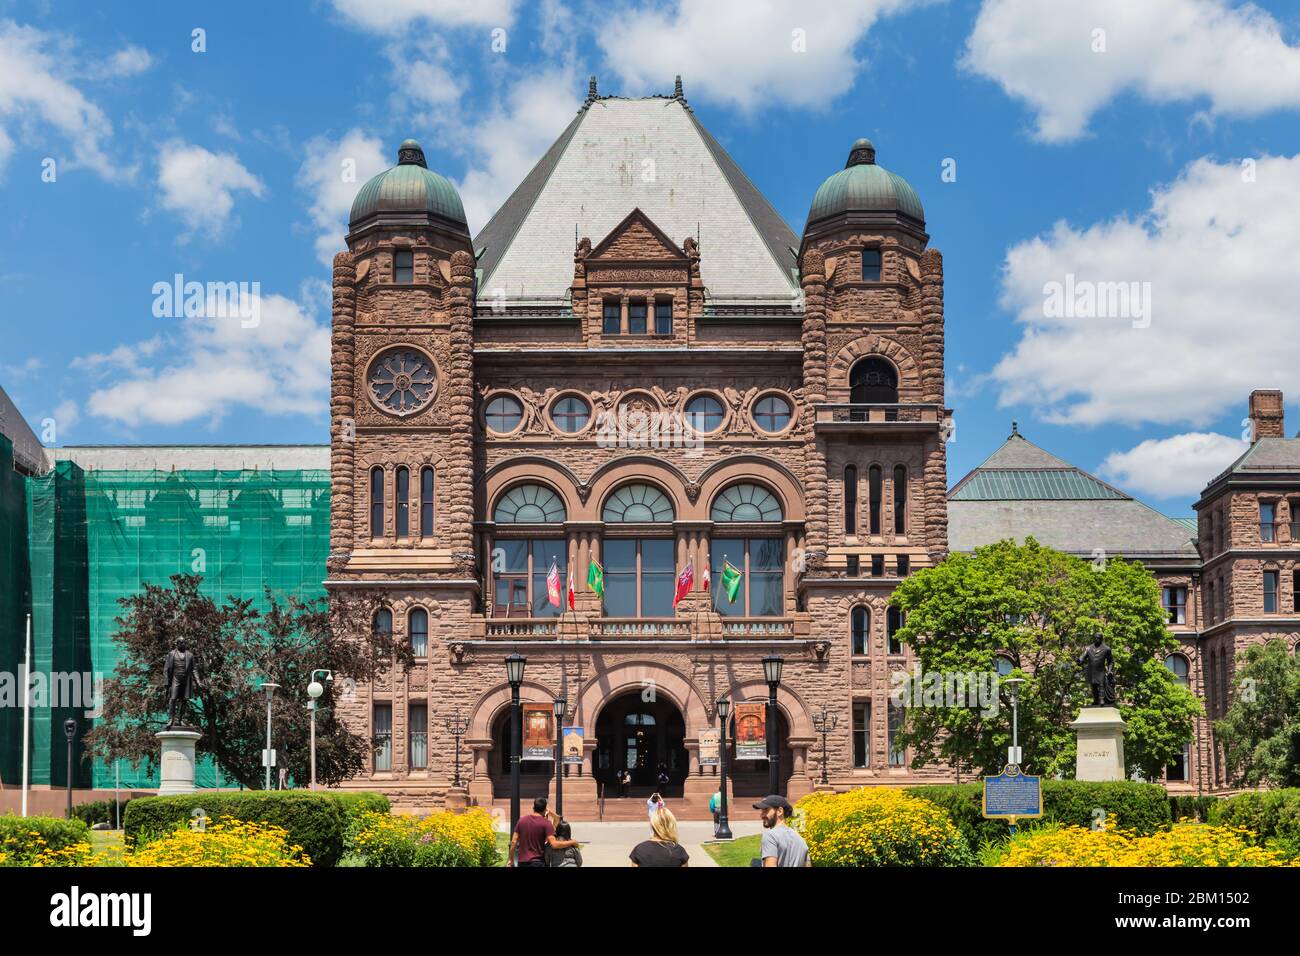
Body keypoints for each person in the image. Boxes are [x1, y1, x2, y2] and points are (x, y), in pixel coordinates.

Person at [508, 797, 578, 868]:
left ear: (533, 807)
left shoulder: (522, 820)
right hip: (538, 862)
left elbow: (513, 841)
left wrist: (511, 860)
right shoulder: (546, 824)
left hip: (522, 862)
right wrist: (572, 842)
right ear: (545, 808)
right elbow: (554, 844)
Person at [753, 794, 810, 867]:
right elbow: (808, 865)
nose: (761, 815)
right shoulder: (800, 839)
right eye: (762, 811)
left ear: (779, 811)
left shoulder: (770, 836)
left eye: (766, 810)